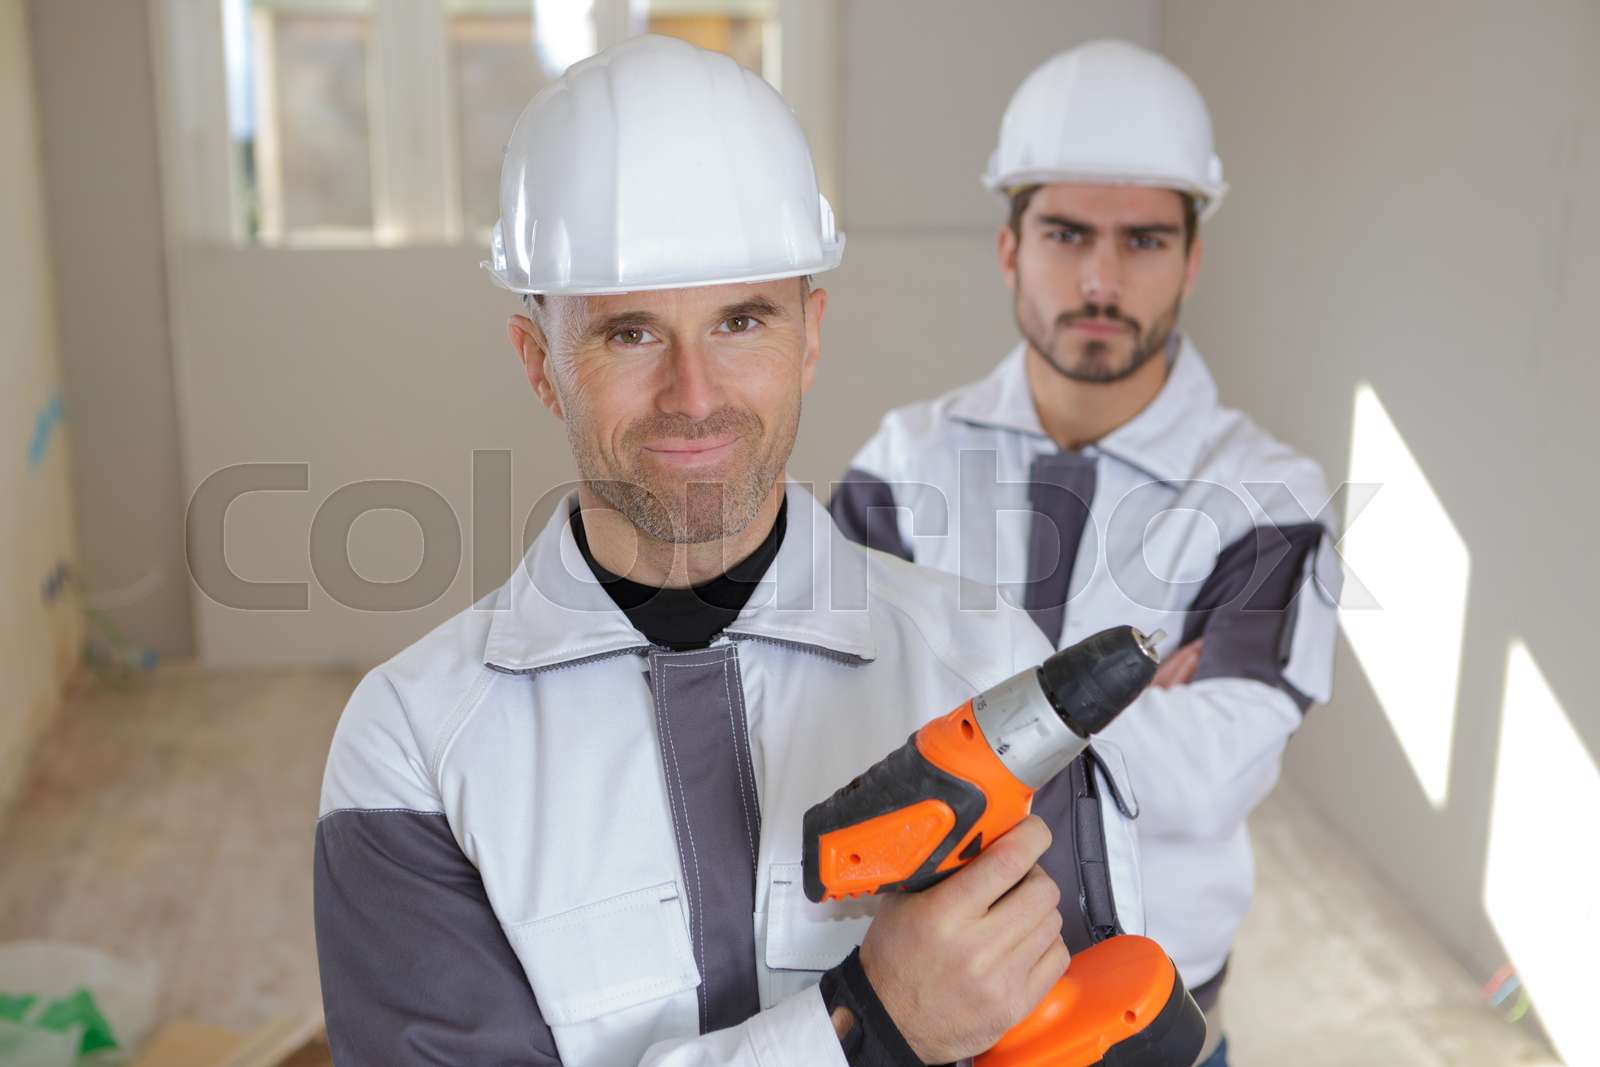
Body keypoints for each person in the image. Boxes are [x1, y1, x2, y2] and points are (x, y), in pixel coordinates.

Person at [313, 36, 1145, 1066]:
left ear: (807, 336)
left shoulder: (986, 671)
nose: (693, 394)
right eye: (628, 333)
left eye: (740, 320)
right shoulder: (413, 747)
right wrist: (868, 1025)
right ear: (539, 362)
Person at [830, 40, 1342, 1067]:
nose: (1101, 278)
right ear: (1009, 245)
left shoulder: (1268, 496)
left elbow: (1206, 781)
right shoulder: (903, 461)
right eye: (1065, 232)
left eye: (1143, 240)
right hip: (936, 1019)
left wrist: (965, 716)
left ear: (1191, 258)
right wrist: (1128, 695)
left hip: (1154, 1026)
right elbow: (842, 742)